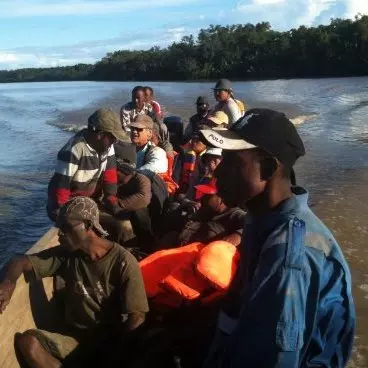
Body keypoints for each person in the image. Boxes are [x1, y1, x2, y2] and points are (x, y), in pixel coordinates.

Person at [200, 108, 355, 367]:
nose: (217, 172)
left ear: (268, 168)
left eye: (231, 162)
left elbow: (277, 359)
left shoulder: (289, 257)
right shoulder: (259, 217)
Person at [0, 196, 149, 367]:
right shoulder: (68, 254)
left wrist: (117, 357)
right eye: (59, 227)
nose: (60, 234)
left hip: (109, 342)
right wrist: (9, 282)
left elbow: (137, 316)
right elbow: (20, 261)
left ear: (88, 226)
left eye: (66, 227)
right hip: (75, 338)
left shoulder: (123, 261)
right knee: (28, 343)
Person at [47, 108, 127, 222]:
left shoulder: (107, 146)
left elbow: (110, 179)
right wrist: (64, 217)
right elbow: (61, 189)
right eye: (113, 137)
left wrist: (113, 203)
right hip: (69, 204)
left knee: (124, 224)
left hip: (90, 200)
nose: (115, 141)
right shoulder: (73, 150)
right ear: (100, 135)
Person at [160, 182, 245, 248]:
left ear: (222, 199)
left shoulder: (235, 214)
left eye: (208, 196)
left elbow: (254, 227)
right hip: (180, 251)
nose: (202, 198)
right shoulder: (204, 210)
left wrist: (238, 235)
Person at [114, 143, 154, 247]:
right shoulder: (110, 179)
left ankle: (143, 248)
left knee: (140, 212)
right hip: (115, 213)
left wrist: (116, 204)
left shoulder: (141, 179)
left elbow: (143, 198)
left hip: (132, 219)